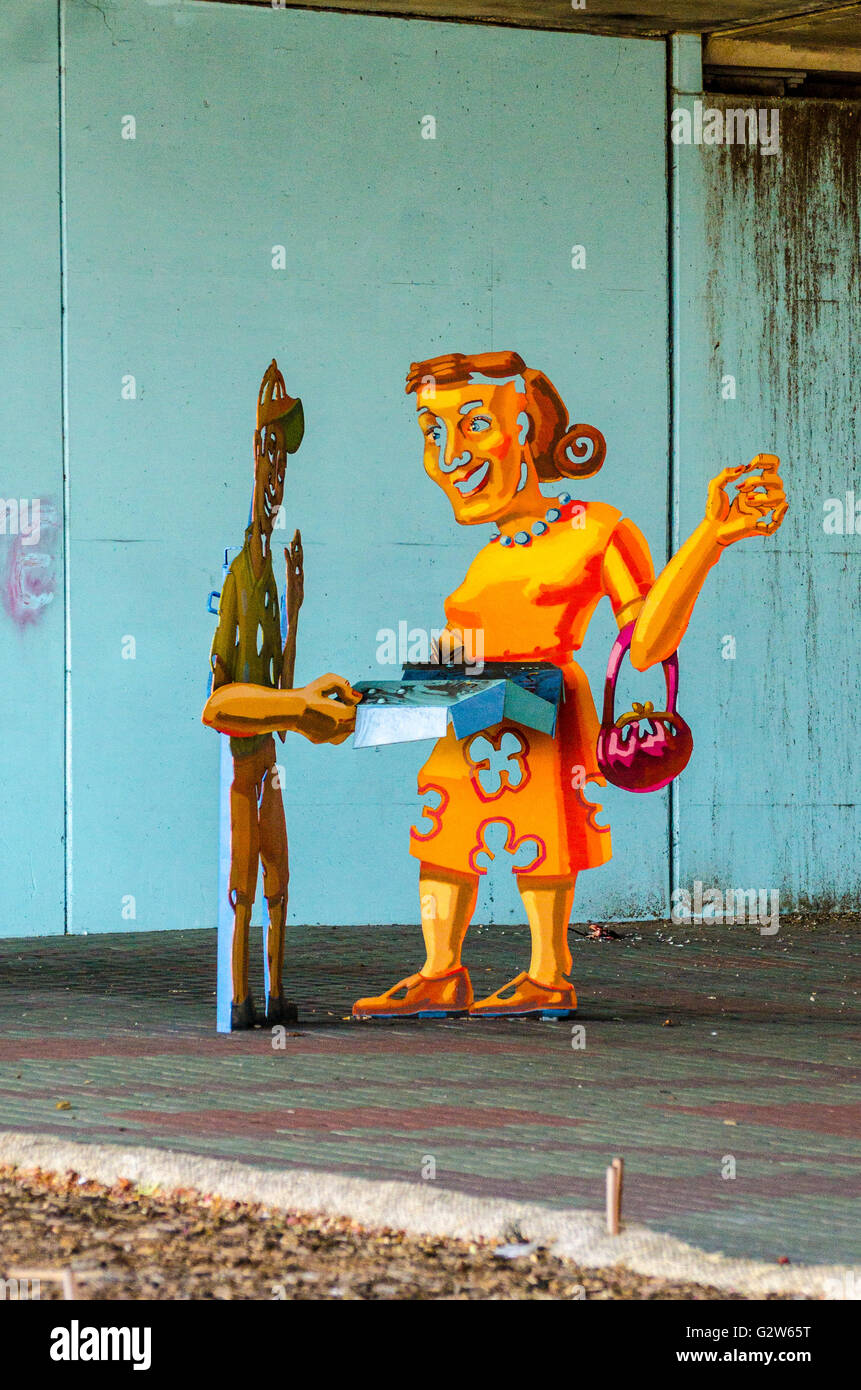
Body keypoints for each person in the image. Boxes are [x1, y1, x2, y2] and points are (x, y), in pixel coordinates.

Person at [353, 350, 787, 1020]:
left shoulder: (597, 528)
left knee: (542, 841)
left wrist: (708, 538)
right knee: (444, 843)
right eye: (431, 434)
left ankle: (547, 973)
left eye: (470, 426)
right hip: (470, 714)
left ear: (526, 429)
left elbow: (648, 642)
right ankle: (441, 972)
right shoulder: (494, 550)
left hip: (541, 709)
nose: (446, 456)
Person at [202, 361, 359, 1029]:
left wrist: (295, 612)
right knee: (243, 889)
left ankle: (272, 996)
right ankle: (238, 1000)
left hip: (268, 761)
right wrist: (298, 708)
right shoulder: (243, 572)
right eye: (270, 453)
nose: (277, 475)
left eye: (283, 461)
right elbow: (221, 703)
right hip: (245, 764)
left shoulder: (266, 576)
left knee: (278, 887)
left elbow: (274, 684)